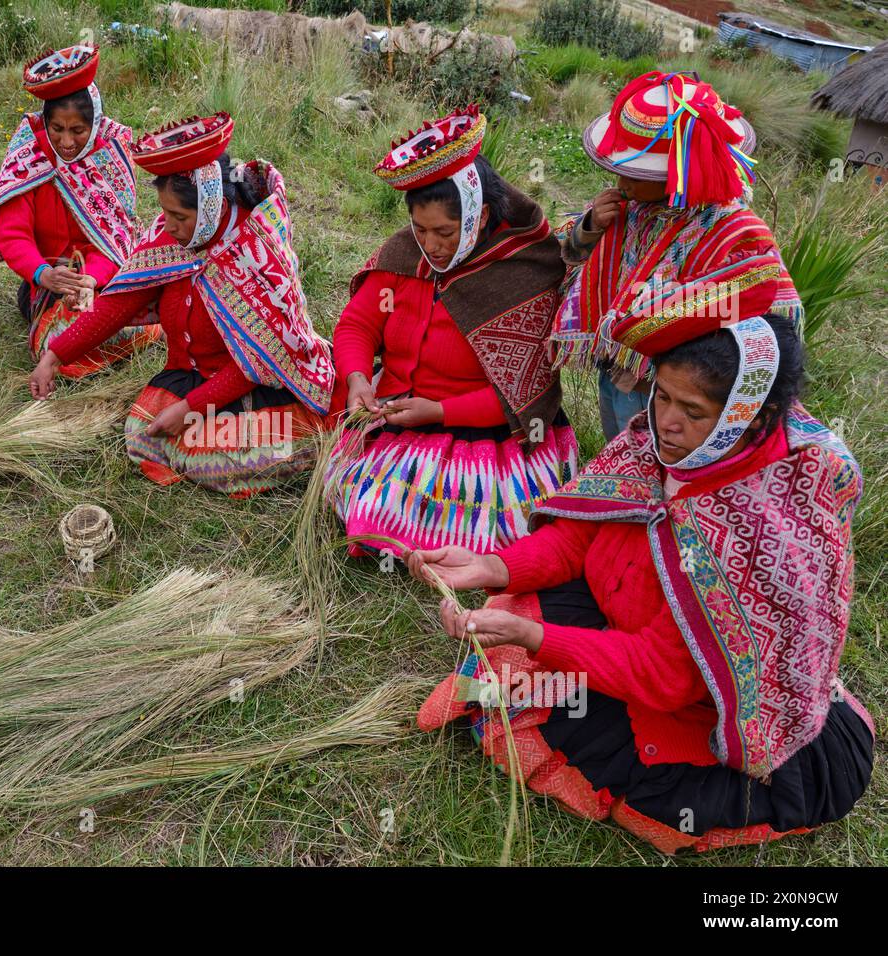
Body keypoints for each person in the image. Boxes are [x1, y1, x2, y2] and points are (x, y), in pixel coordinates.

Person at [407, 309, 873, 854]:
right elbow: (581, 536)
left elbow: (667, 676)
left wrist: (532, 636)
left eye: (692, 411)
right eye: (662, 395)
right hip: (625, 627)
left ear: (750, 417)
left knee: (628, 766)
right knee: (515, 659)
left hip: (691, 701)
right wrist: (497, 567)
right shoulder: (657, 446)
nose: (665, 422)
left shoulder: (760, 529)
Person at [29, 113, 335, 498]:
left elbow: (256, 364)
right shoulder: (171, 242)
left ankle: (280, 446)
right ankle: (199, 446)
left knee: (238, 455)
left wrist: (192, 408)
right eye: (165, 212)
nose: (167, 226)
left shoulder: (256, 256)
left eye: (179, 216)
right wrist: (54, 356)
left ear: (210, 207)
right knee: (142, 435)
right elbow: (118, 305)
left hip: (255, 384)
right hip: (192, 377)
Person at [326, 106, 578, 556]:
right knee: (364, 501)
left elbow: (520, 394)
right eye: (420, 229)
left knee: (420, 513)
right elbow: (358, 323)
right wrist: (358, 379)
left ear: (479, 218)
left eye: (444, 231)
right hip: (397, 413)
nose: (432, 245)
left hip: (485, 434)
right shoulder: (404, 256)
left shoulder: (520, 275)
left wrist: (440, 413)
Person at [553, 70, 802, 439]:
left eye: (634, 175)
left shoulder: (735, 232)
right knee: (622, 461)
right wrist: (588, 228)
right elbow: (565, 254)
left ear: (678, 174)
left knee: (669, 470)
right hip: (618, 374)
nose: (622, 183)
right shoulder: (628, 207)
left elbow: (770, 312)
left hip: (681, 396)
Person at [0, 44, 158, 376]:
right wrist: (42, 274)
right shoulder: (29, 156)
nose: (65, 142)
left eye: (78, 130)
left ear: (95, 123)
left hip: (102, 276)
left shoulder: (111, 158)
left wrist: (90, 278)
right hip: (49, 281)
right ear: (44, 122)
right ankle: (89, 339)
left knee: (147, 305)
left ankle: (114, 331)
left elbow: (116, 238)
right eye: (56, 129)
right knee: (59, 342)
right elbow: (12, 233)